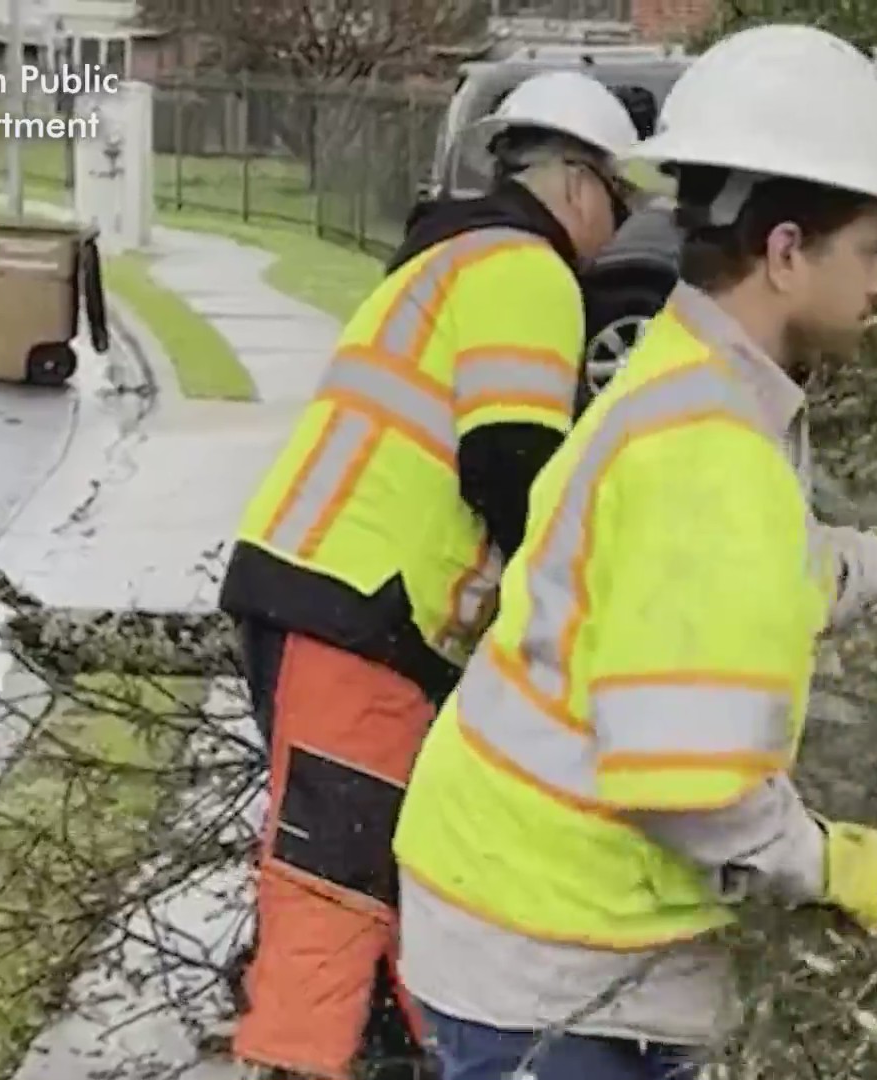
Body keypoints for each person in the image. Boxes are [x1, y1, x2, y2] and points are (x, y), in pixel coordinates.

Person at [389, 23, 877, 1080]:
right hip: (553, 958)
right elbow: (692, 788)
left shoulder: (689, 380)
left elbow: (754, 578)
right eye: (873, 249)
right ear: (785, 252)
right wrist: (833, 864)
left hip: (527, 910)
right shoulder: (709, 455)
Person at [217, 70, 643, 1080]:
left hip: (335, 595)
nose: (618, 234)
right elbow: (512, 465)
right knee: (336, 881)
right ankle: (297, 1063)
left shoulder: (449, 255)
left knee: (386, 869)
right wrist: (587, 611)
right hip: (363, 609)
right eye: (620, 206)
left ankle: (394, 1055)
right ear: (577, 181)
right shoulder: (527, 270)